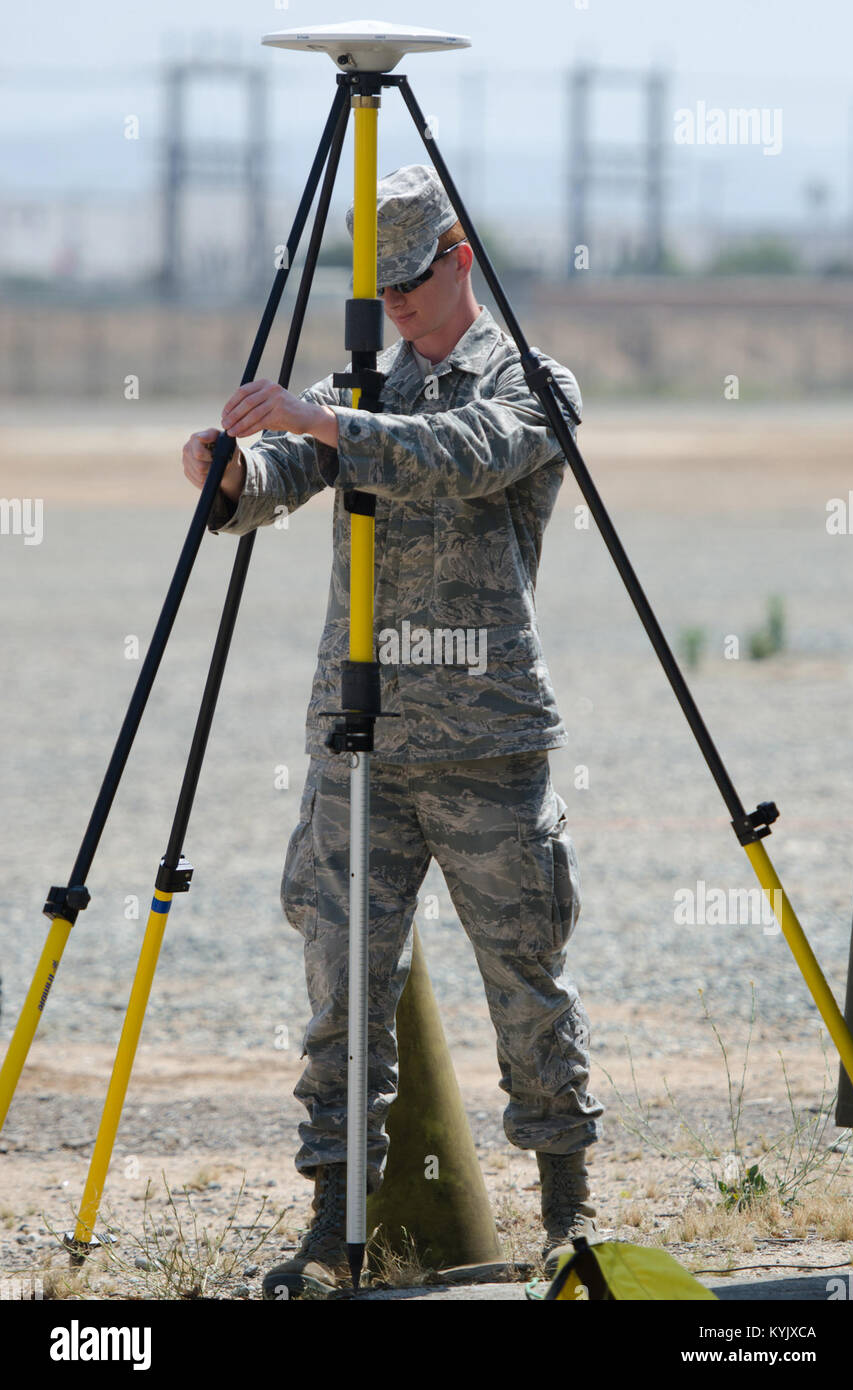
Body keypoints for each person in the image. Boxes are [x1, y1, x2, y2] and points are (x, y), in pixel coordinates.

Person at [182, 164, 604, 1297]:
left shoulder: (527, 381)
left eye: (412, 285)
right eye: (380, 291)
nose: (398, 309)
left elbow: (458, 456)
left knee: (525, 982)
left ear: (458, 258)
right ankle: (333, 1229)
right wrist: (227, 474)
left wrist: (327, 419)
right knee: (343, 996)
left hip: (483, 737)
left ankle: (569, 1216)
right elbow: (293, 464)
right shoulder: (361, 381)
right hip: (357, 737)